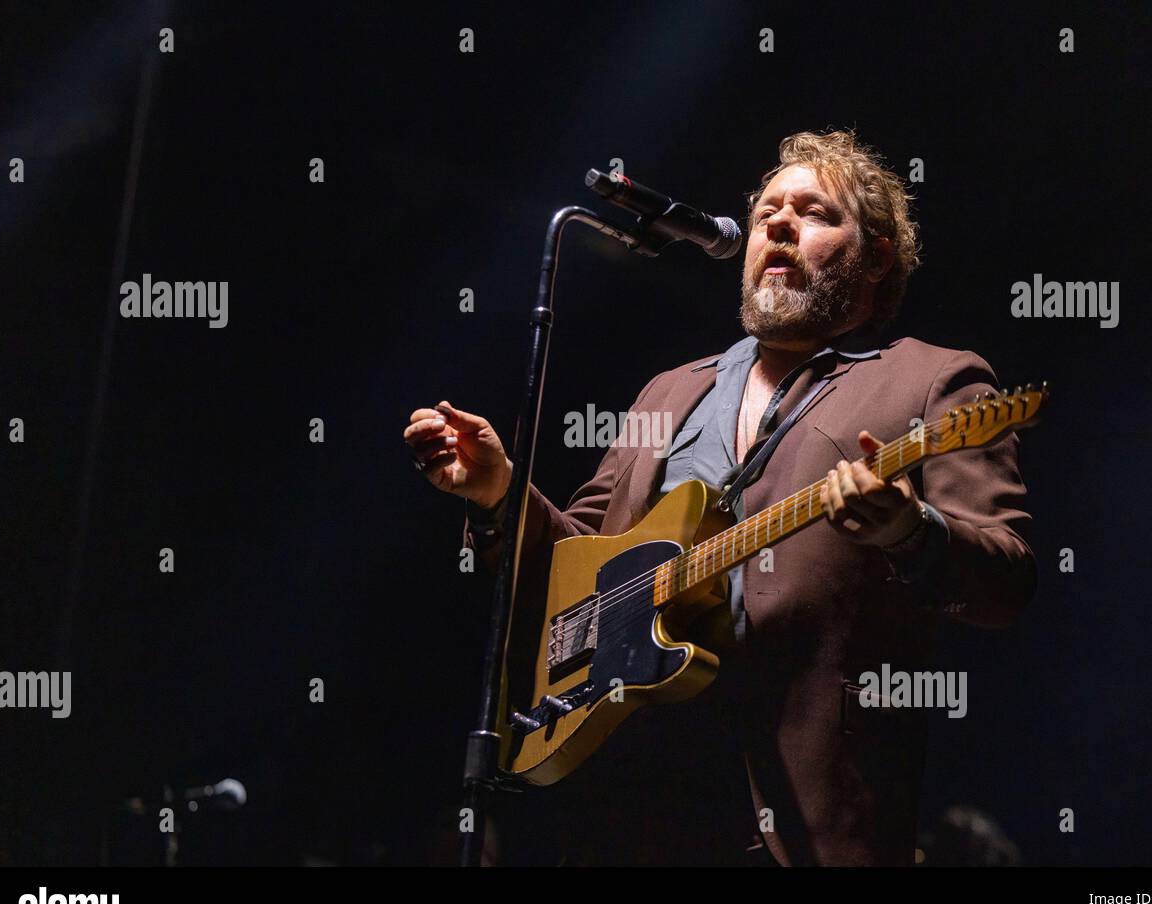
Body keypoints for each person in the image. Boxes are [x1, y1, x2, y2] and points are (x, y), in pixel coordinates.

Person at [406, 129, 1037, 865]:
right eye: (768, 208)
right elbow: (568, 574)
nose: (777, 222)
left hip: (809, 826)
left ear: (875, 255)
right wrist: (498, 492)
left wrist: (909, 531)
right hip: (629, 811)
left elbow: (1005, 582)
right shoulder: (669, 392)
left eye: (813, 211)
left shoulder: (932, 382)